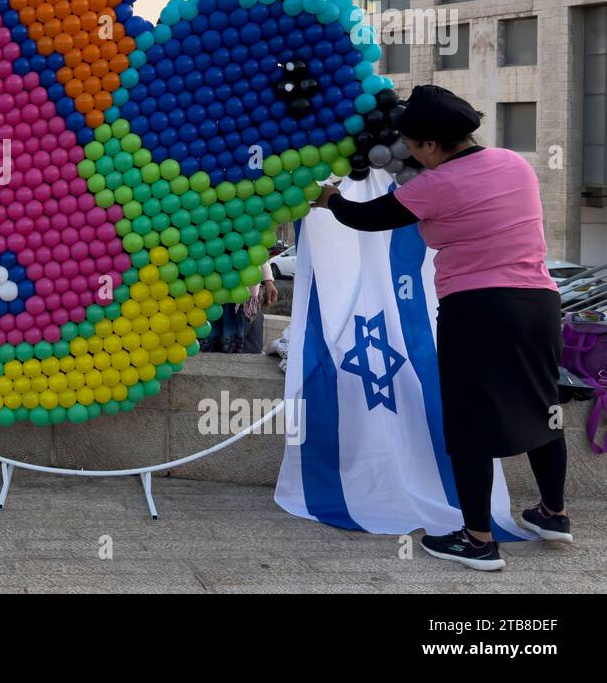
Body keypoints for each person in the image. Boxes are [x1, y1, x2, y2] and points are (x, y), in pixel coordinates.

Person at [314, 84, 570, 571]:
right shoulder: (515, 164)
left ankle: (477, 540)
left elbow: (367, 218)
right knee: (543, 406)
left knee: (470, 419)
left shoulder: (436, 186)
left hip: (480, 309)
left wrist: (330, 198)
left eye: (411, 146)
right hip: (540, 303)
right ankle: (553, 514)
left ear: (431, 144)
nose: (408, 153)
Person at [204, 261, 279, 354]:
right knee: (213, 346)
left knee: (248, 348)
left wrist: (268, 281)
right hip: (215, 295)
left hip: (245, 300)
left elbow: (259, 254)